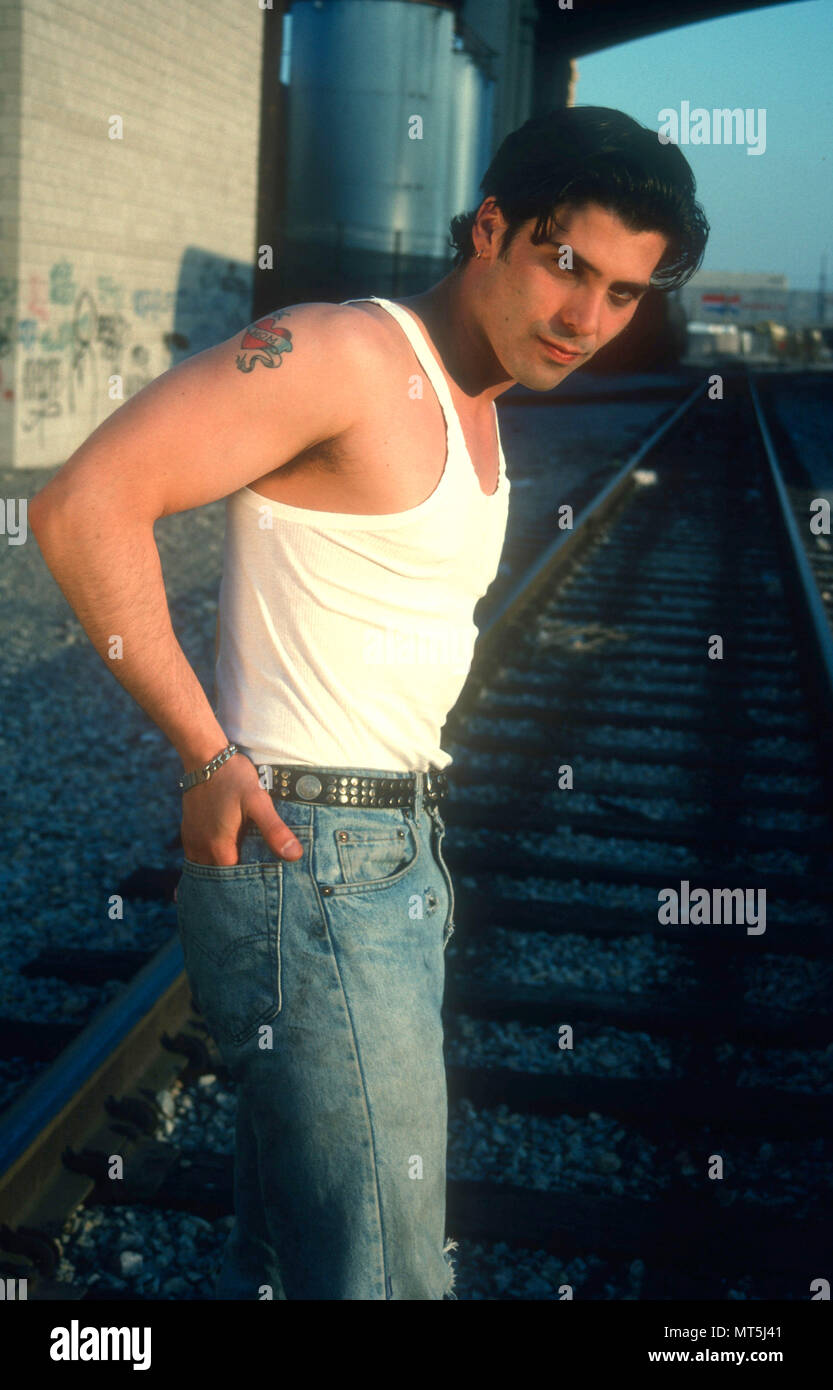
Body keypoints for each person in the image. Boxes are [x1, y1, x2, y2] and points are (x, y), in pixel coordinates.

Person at [28, 106, 708, 1300]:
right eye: (566, 267)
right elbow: (83, 504)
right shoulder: (343, 354)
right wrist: (203, 754)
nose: (586, 320)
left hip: (387, 859)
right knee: (384, 1275)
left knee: (299, 1263)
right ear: (489, 227)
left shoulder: (478, 398)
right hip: (317, 864)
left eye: (619, 293)